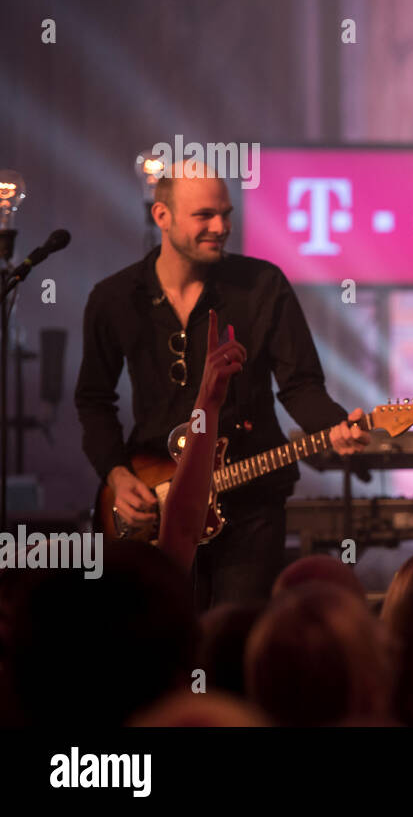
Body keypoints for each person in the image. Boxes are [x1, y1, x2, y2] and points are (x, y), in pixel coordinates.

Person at [75, 161, 370, 607]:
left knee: (235, 638)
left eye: (227, 214)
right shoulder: (114, 298)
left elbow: (300, 386)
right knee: (161, 640)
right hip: (157, 505)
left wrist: (335, 426)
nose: (221, 227)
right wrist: (117, 476)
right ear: (162, 217)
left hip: (250, 505)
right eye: (205, 216)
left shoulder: (262, 286)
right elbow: (94, 401)